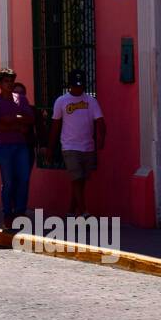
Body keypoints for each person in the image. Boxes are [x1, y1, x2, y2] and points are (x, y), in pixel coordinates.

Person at [48, 68, 106, 216]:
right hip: (69, 146)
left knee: (80, 181)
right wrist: (50, 147)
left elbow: (100, 120)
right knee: (77, 177)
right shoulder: (61, 101)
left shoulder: (91, 100)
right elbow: (55, 125)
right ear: (70, 85)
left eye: (81, 85)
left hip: (87, 146)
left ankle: (71, 210)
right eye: (75, 85)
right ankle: (84, 212)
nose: (78, 88)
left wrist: (101, 137)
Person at [0, 68, 33, 230]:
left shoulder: (21, 99)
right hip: (3, 146)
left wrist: (13, 119)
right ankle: (8, 214)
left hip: (20, 145)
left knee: (24, 179)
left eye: (11, 80)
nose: (10, 84)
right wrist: (17, 126)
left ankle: (20, 212)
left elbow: (29, 119)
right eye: (6, 81)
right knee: (8, 182)